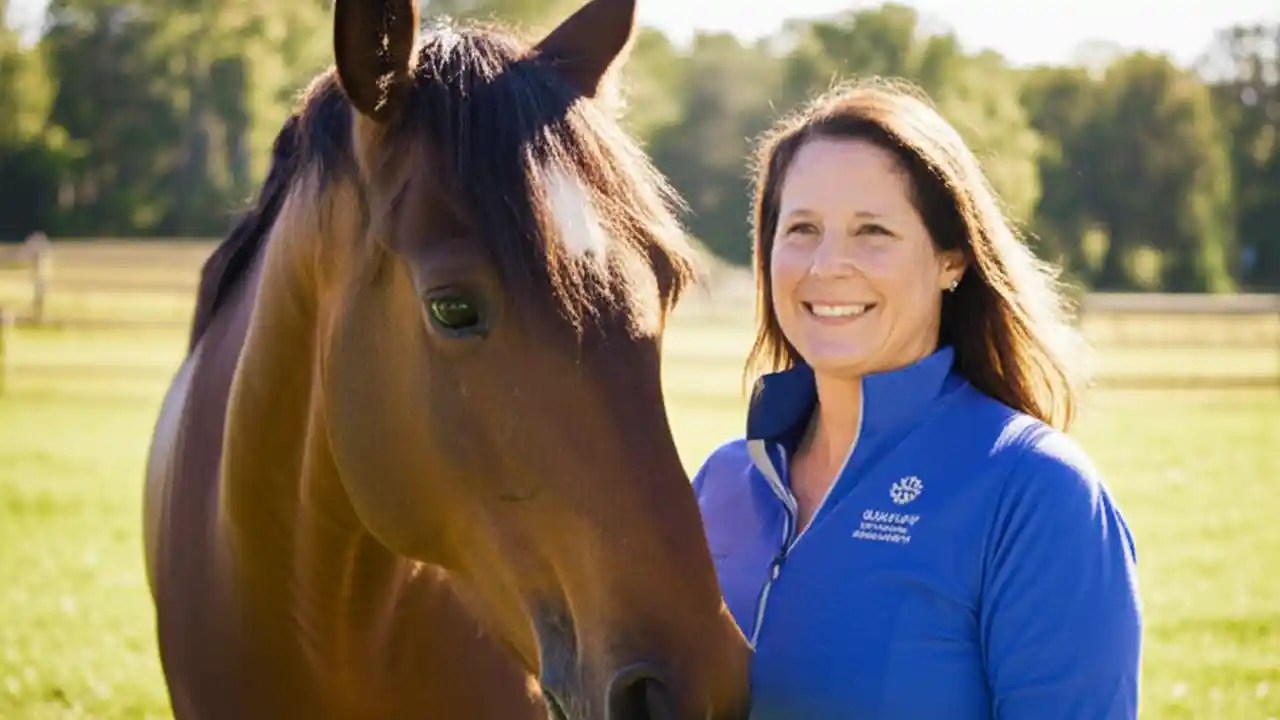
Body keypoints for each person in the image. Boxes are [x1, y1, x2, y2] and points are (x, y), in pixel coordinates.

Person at [692, 78, 1142, 719]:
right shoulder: (722, 481)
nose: (826, 265)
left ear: (952, 260)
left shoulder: (1035, 491)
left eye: (871, 230)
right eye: (802, 229)